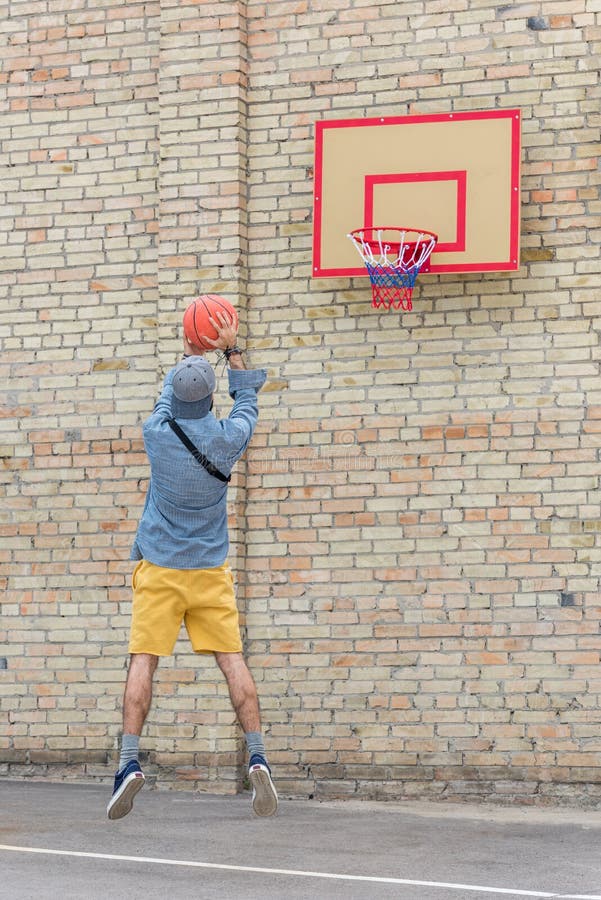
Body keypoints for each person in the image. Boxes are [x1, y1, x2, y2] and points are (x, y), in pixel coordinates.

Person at [107, 310, 277, 820]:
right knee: (232, 660)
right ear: (209, 399)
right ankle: (257, 754)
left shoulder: (156, 433)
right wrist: (230, 350)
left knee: (144, 660)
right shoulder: (229, 438)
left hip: (159, 568)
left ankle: (129, 763)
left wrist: (192, 350)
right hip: (209, 571)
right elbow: (246, 399)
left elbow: (169, 398)